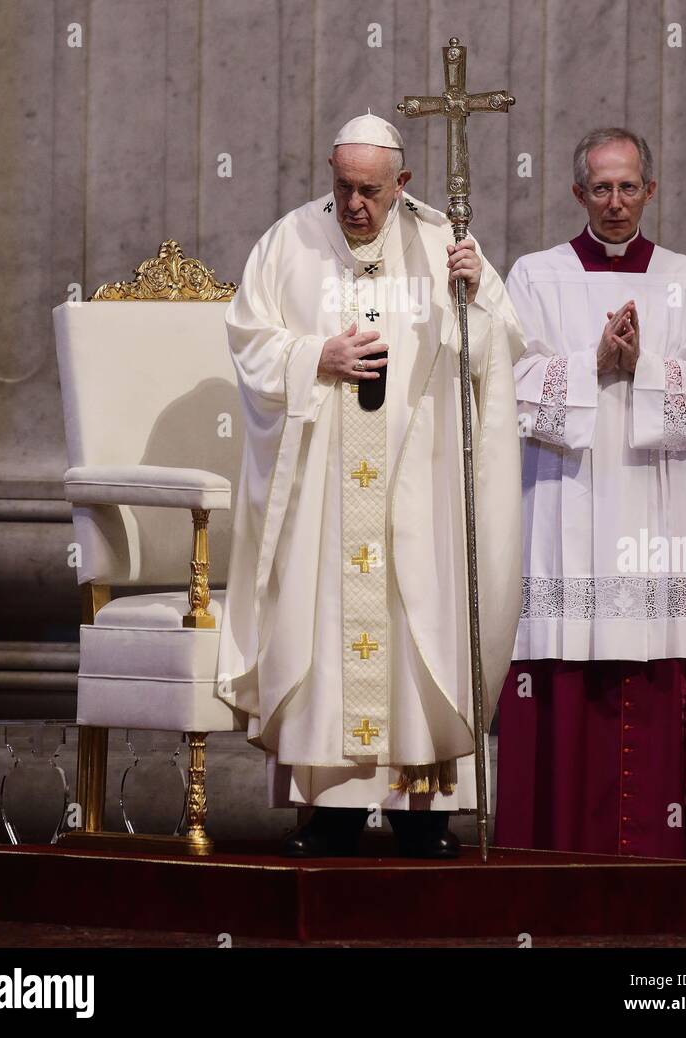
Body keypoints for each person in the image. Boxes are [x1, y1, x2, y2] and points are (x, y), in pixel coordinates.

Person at [218, 112, 525, 858]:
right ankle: (332, 813)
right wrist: (314, 355)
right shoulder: (288, 242)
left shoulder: (441, 244)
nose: (355, 205)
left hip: (417, 483)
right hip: (326, 483)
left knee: (421, 627)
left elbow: (499, 352)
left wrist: (477, 293)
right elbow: (249, 343)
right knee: (327, 627)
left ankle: (424, 812)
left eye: (370, 191)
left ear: (403, 184)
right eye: (343, 186)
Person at [494, 127, 686, 858]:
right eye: (600, 188)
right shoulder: (536, 278)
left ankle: (657, 868)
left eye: (628, 186)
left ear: (651, 190)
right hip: (563, 509)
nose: (615, 203)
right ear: (578, 193)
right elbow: (500, 382)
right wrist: (590, 365)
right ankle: (547, 859)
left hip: (655, 507)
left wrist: (643, 370)